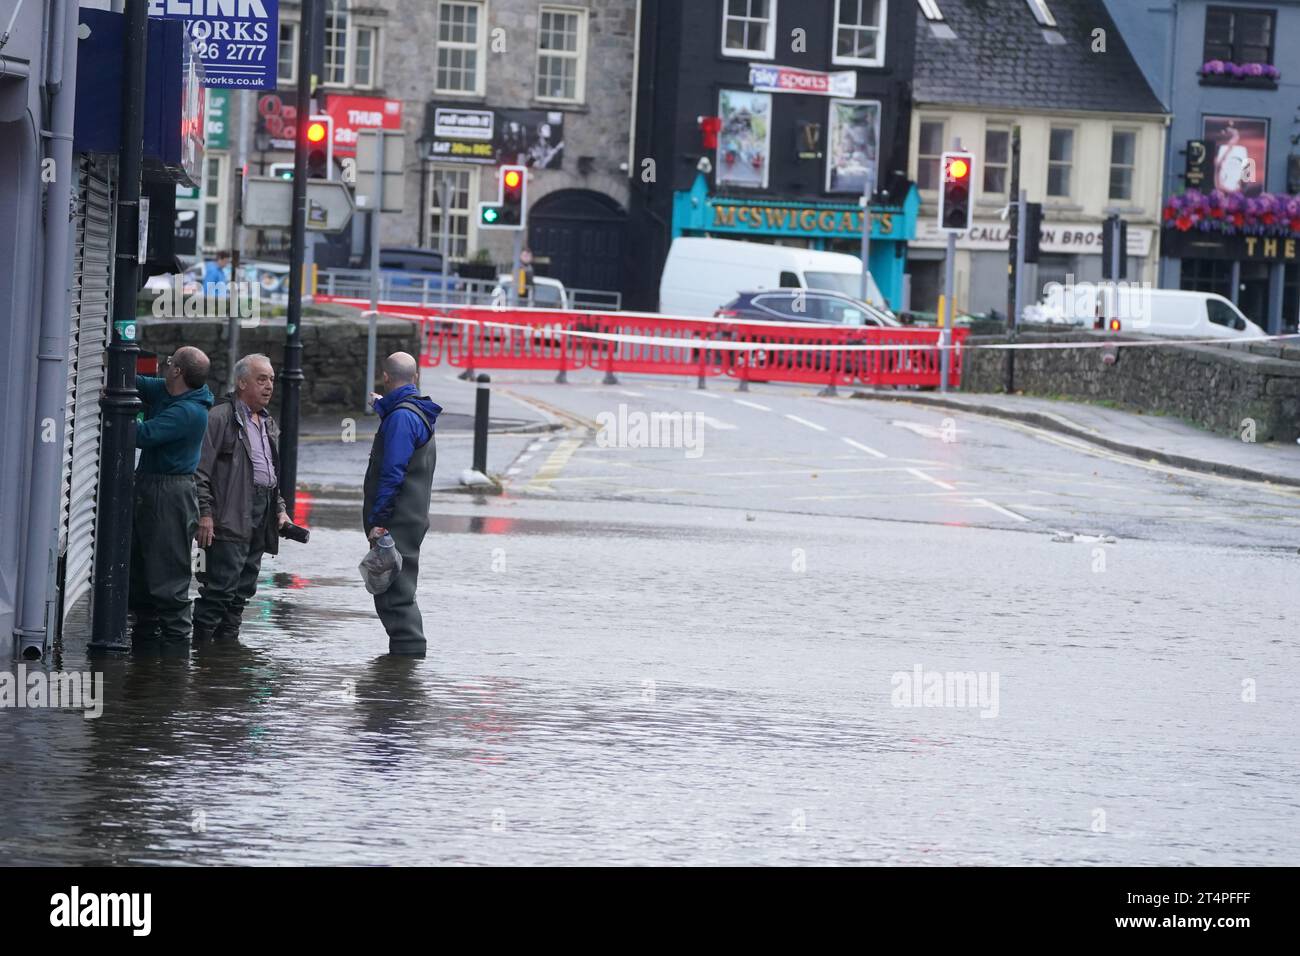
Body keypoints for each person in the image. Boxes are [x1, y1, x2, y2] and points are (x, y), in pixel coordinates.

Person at [194, 353, 290, 641]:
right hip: (228, 515)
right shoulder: (220, 418)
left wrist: (280, 509)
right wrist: (205, 514)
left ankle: (226, 654)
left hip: (261, 513)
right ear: (242, 383)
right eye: (261, 380)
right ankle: (199, 655)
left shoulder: (268, 423)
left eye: (271, 380)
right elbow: (199, 471)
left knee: (243, 590)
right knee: (220, 588)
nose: (269, 386)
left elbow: (269, 472)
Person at [130, 347, 214, 643]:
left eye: (169, 363)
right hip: (150, 485)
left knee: (168, 580)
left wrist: (116, 407)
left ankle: (176, 671)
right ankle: (147, 659)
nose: (166, 367)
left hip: (171, 491)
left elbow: (143, 435)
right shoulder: (169, 392)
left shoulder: (188, 412)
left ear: (178, 371)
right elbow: (135, 381)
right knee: (140, 577)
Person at [363, 352, 442, 655]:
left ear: (385, 377)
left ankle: (405, 676)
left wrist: (379, 522)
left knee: (396, 596)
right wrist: (382, 406)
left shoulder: (401, 418)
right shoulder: (411, 412)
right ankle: (402, 673)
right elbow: (402, 430)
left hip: (395, 521)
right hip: (410, 518)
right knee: (394, 591)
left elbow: (392, 472)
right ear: (416, 377)